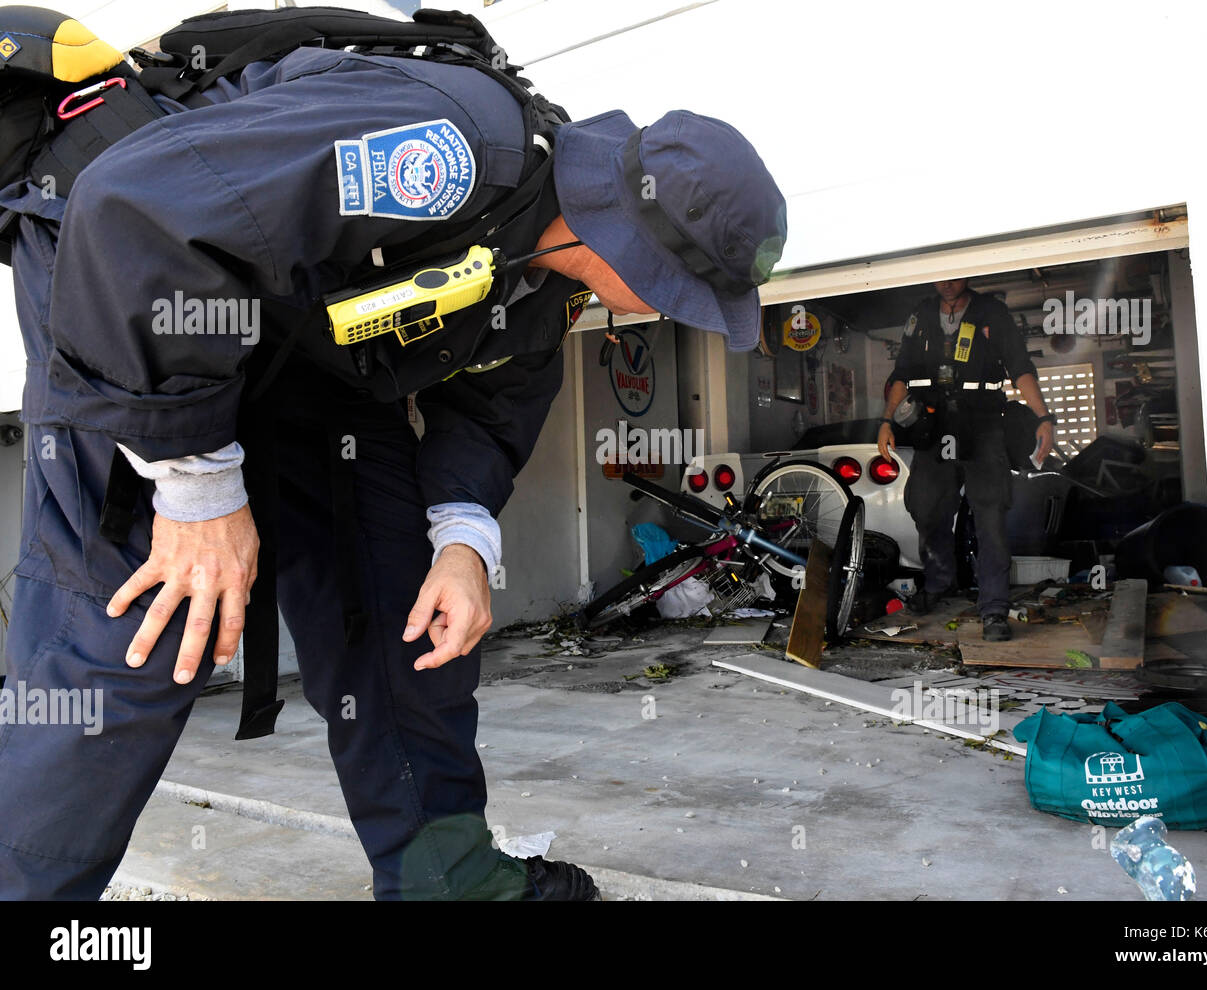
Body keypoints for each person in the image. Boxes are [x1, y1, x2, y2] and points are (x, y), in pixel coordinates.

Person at [0, 10, 786, 900]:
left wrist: (461, 542)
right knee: (140, 630)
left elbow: (487, 415)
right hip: (141, 298)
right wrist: (197, 488)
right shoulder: (455, 146)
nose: (675, 312)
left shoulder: (545, 280)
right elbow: (136, 212)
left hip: (295, 343)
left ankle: (443, 879)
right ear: (630, 242)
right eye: (680, 292)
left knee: (401, 601)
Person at [876, 278, 1054, 641]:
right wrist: (886, 420)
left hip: (984, 422)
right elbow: (901, 374)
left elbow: (1020, 368)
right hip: (933, 423)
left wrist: (1044, 418)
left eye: (954, 275)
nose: (947, 284)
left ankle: (994, 609)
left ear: (967, 274)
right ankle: (940, 582)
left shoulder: (992, 312)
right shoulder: (922, 314)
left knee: (990, 512)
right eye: (939, 277)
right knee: (926, 506)